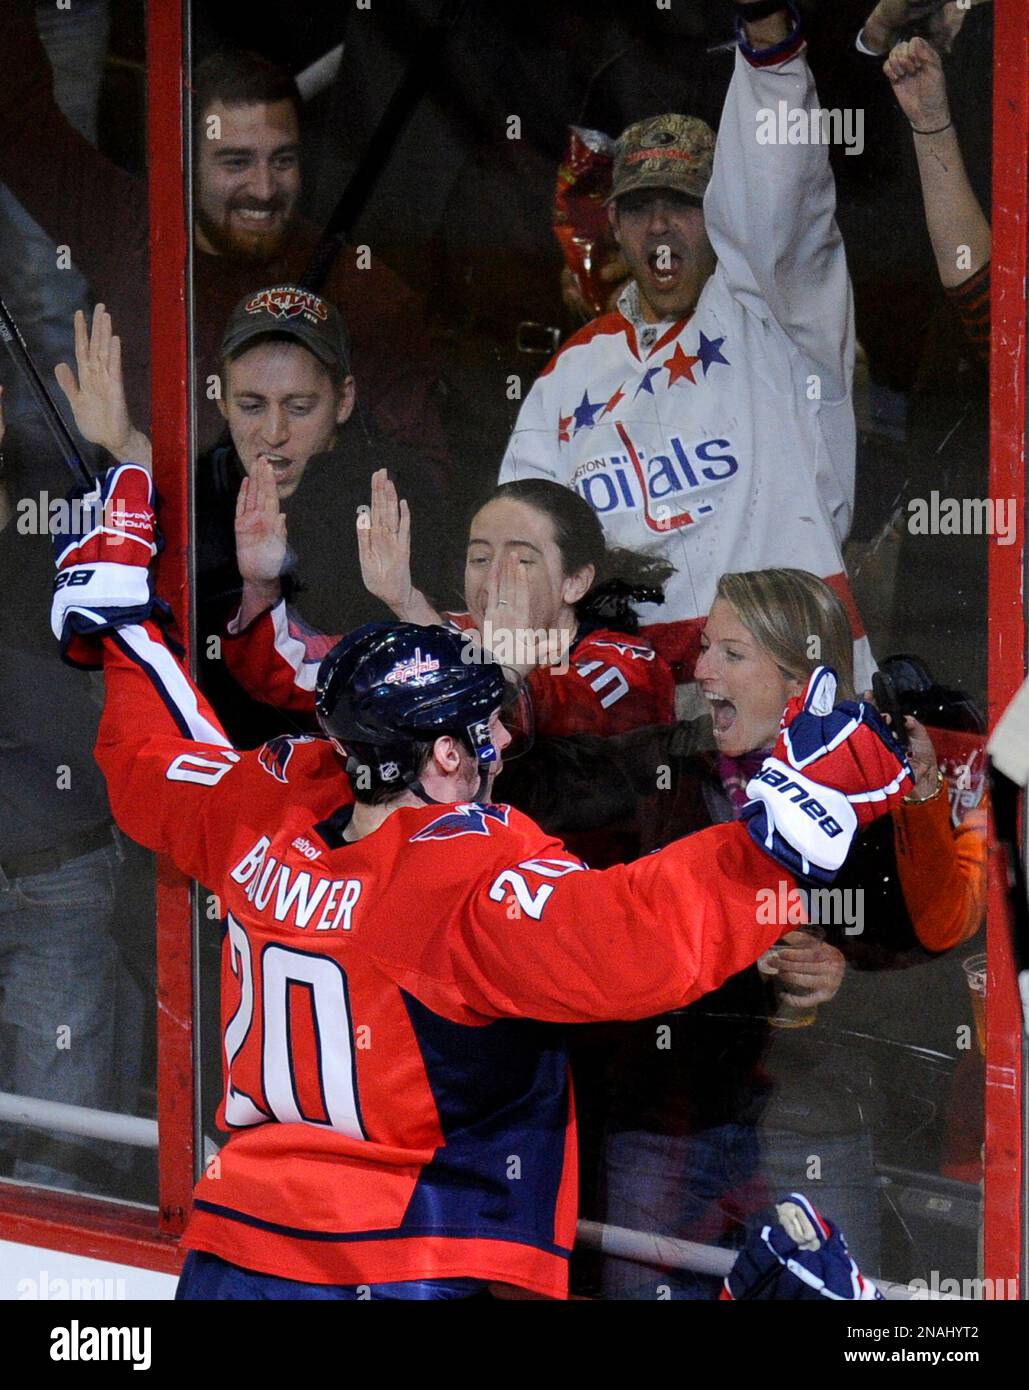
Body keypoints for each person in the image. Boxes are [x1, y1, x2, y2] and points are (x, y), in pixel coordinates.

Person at [48, 461, 909, 1299]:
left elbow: (155, 759)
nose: (502, 743)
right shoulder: (461, 877)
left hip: (232, 1256)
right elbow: (631, 938)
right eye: (482, 726)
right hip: (407, 1265)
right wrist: (773, 851)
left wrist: (123, 629)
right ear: (450, 753)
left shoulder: (261, 807)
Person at [499, 567, 986, 1295]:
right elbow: (538, 780)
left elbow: (951, 976)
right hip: (662, 1124)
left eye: (729, 653)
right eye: (703, 647)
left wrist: (844, 979)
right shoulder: (669, 760)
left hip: (813, 1123)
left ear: (800, 679)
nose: (699, 670)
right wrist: (500, 675)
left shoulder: (880, 789)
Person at [499, 1, 873, 694]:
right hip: (638, 723)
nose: (661, 225)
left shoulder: (777, 318)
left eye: (685, 203)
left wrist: (768, 42)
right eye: (640, 207)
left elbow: (780, 193)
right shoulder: (564, 379)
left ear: (724, 216)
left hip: (797, 696)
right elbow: (517, 560)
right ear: (613, 223)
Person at [0, 5, 447, 463]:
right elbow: (19, 121)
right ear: (185, 167)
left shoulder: (361, 290)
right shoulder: (128, 226)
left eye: (282, 160)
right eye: (236, 162)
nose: (264, 188)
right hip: (137, 531)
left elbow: (422, 476)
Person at [225, 469, 677, 745]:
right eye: (479, 558)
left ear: (575, 582)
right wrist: (262, 584)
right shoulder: (449, 630)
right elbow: (304, 678)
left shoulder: (626, 663)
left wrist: (424, 617)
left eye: (521, 559)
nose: (493, 575)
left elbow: (541, 714)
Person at [0, 385, 139, 1195]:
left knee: (58, 1166)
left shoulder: (65, 503)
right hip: (49, 864)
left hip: (61, 876)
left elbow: (95, 727)